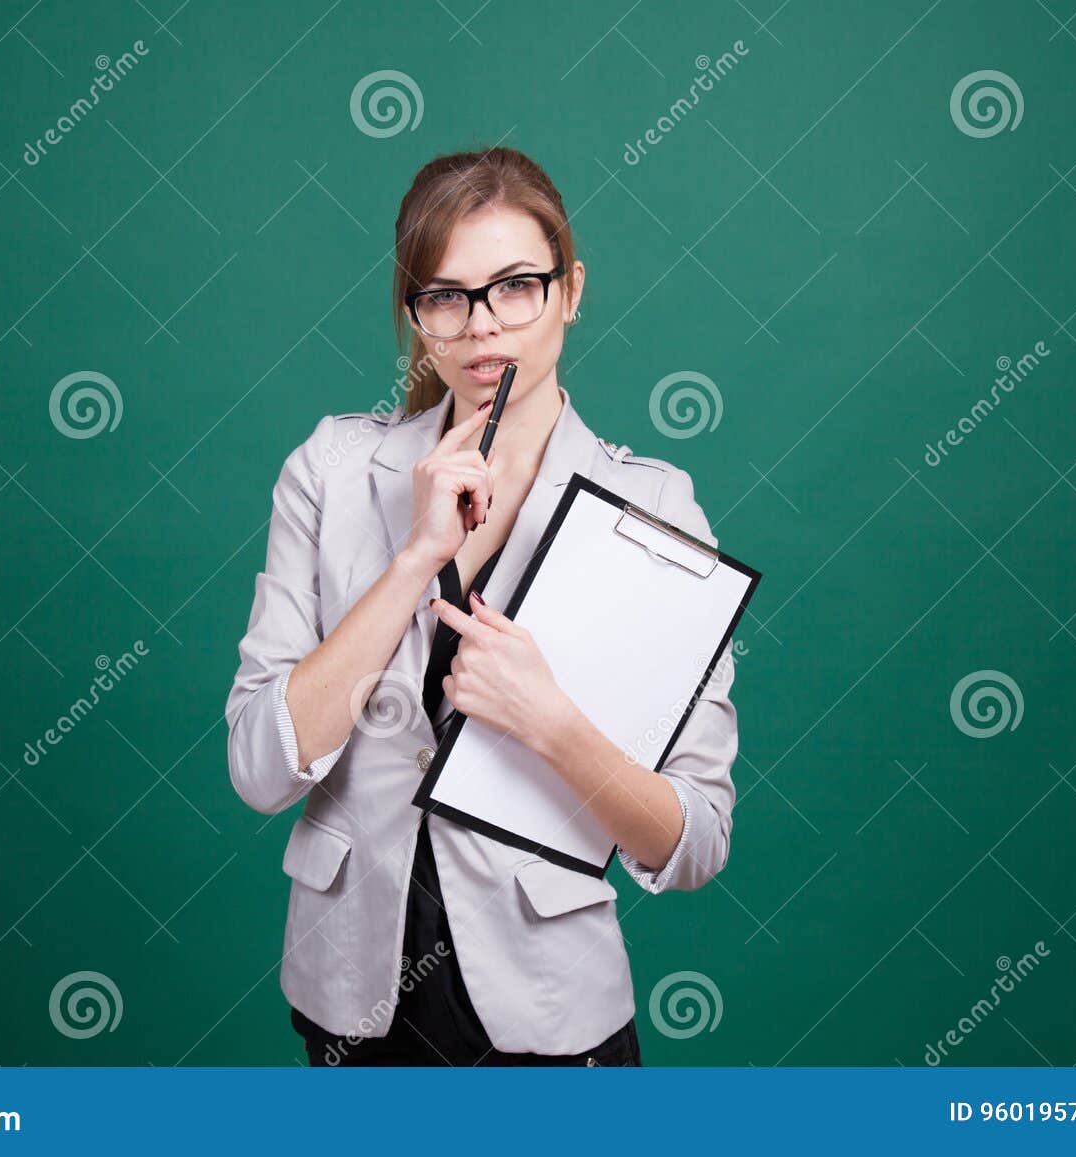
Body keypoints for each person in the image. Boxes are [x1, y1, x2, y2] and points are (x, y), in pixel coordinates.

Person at [224, 145, 740, 1065]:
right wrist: (414, 558)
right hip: (353, 1005)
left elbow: (694, 840)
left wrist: (549, 721)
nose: (481, 328)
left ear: (570, 290)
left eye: (515, 287)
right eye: (446, 298)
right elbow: (262, 770)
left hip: (551, 1013)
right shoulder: (332, 474)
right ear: (416, 315)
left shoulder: (655, 511)